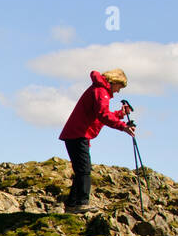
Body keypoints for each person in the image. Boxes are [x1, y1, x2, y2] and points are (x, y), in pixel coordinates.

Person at [58, 68, 135, 213]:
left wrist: (119, 114)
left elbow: (100, 115)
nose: (118, 91)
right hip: (78, 134)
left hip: (76, 134)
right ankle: (81, 204)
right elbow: (103, 115)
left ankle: (72, 205)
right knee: (84, 170)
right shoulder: (101, 91)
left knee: (81, 170)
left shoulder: (99, 90)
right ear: (114, 81)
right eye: (120, 87)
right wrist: (123, 127)